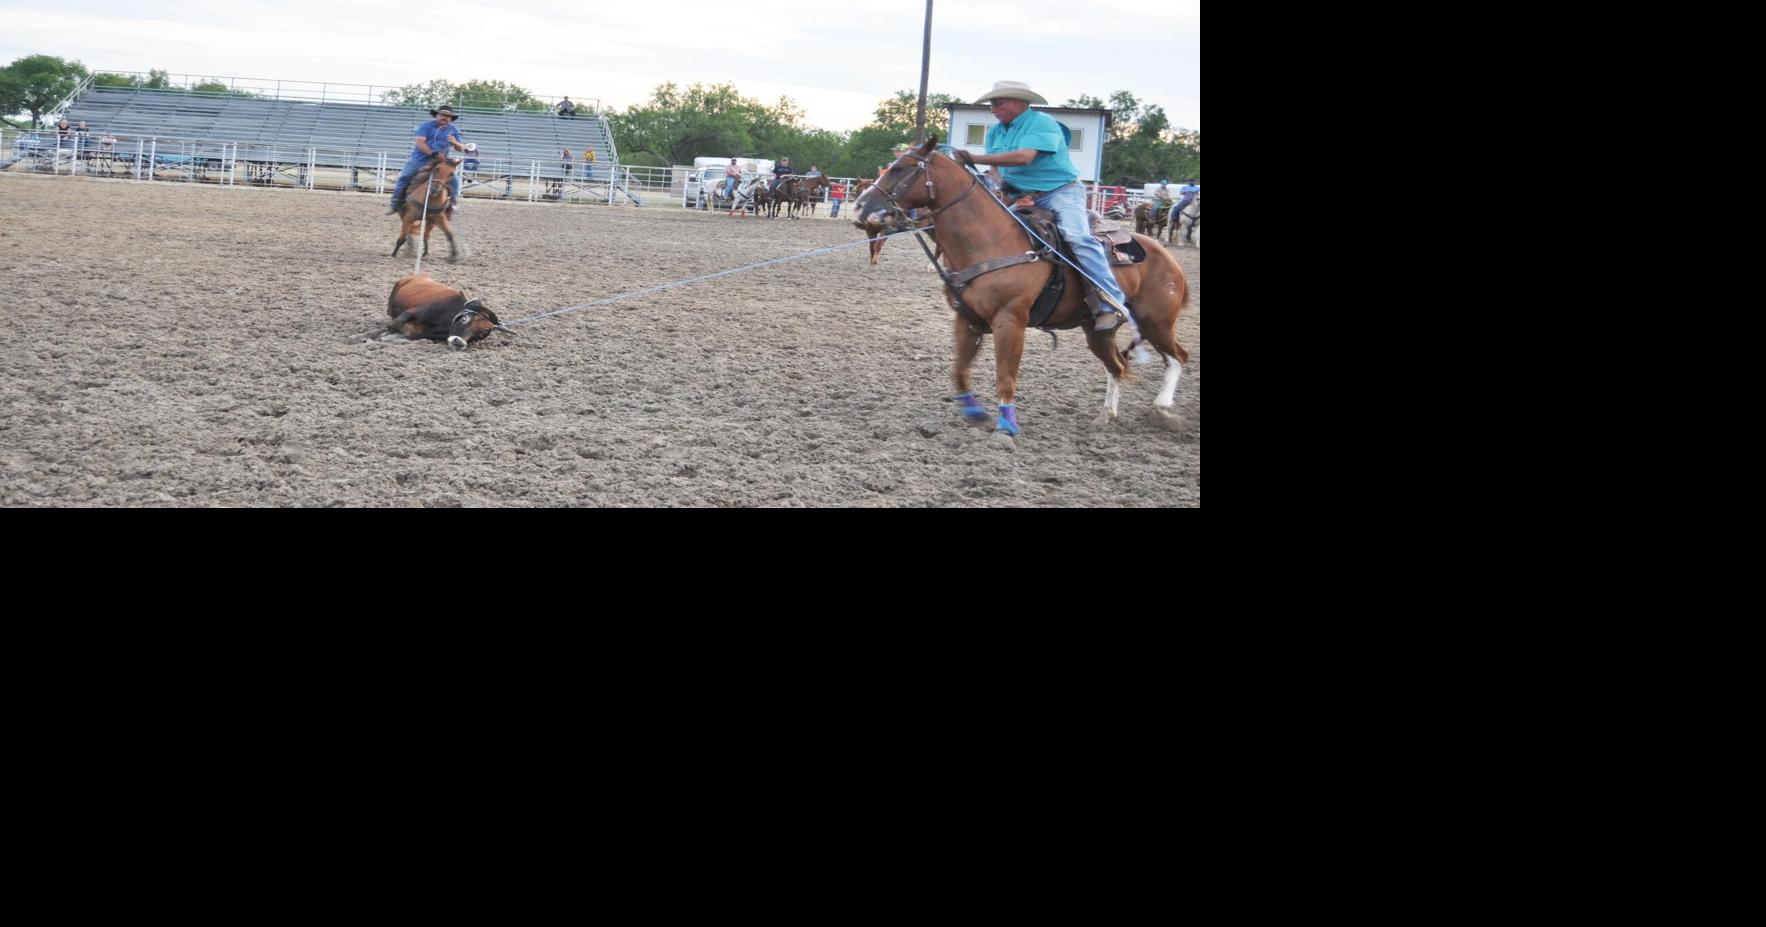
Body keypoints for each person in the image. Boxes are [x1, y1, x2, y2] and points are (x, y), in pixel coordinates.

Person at [959, 80, 1128, 331]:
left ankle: (1109, 302)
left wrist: (974, 158)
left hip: (1061, 191)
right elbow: (996, 168)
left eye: (996, 103)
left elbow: (1025, 157)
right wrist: (1001, 186)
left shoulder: (1042, 123)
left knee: (1077, 237)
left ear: (1016, 103)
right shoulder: (995, 132)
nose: (992, 109)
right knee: (994, 235)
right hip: (1021, 193)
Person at [387, 106, 467, 215]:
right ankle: (395, 203)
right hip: (420, 158)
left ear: (451, 119)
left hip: (440, 161)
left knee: (454, 181)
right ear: (437, 116)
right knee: (405, 176)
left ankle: (452, 204)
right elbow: (420, 143)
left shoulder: (453, 130)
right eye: (442, 115)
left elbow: (460, 148)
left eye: (448, 116)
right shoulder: (426, 126)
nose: (445, 118)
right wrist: (432, 153)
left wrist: (454, 142)